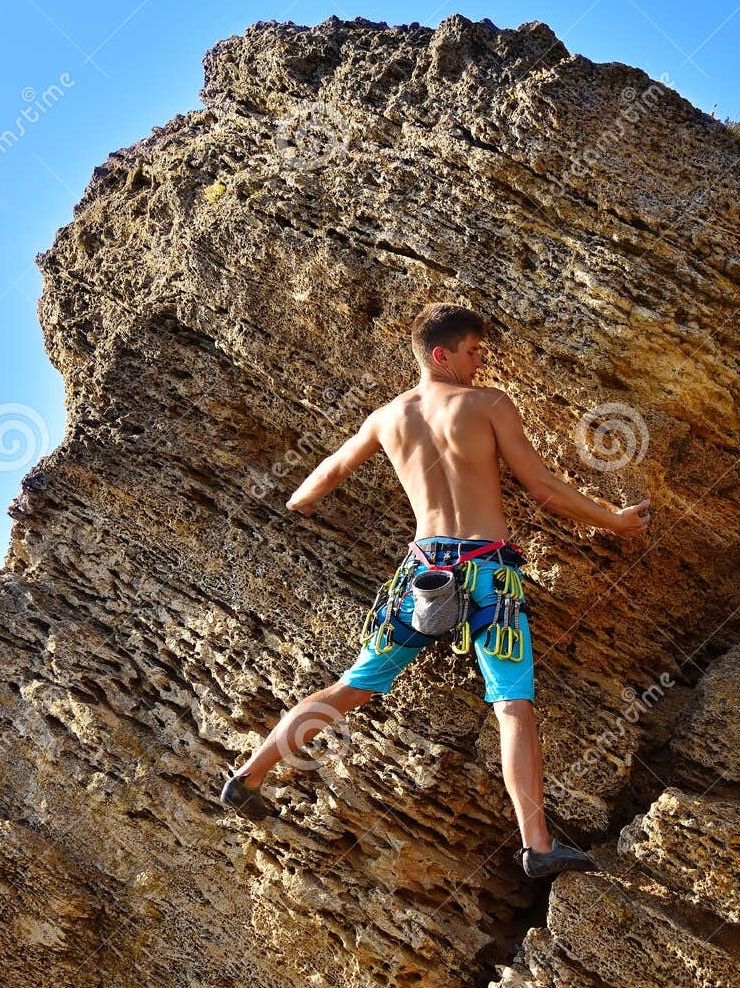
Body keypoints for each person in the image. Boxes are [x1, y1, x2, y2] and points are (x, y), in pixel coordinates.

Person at [220, 302, 651, 877]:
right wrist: (613, 519)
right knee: (512, 704)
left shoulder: (386, 417)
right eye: (474, 351)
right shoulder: (488, 404)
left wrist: (297, 501)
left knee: (356, 685)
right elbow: (542, 487)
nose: (481, 362)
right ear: (442, 354)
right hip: (489, 574)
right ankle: (538, 846)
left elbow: (329, 470)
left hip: (421, 575)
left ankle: (249, 775)